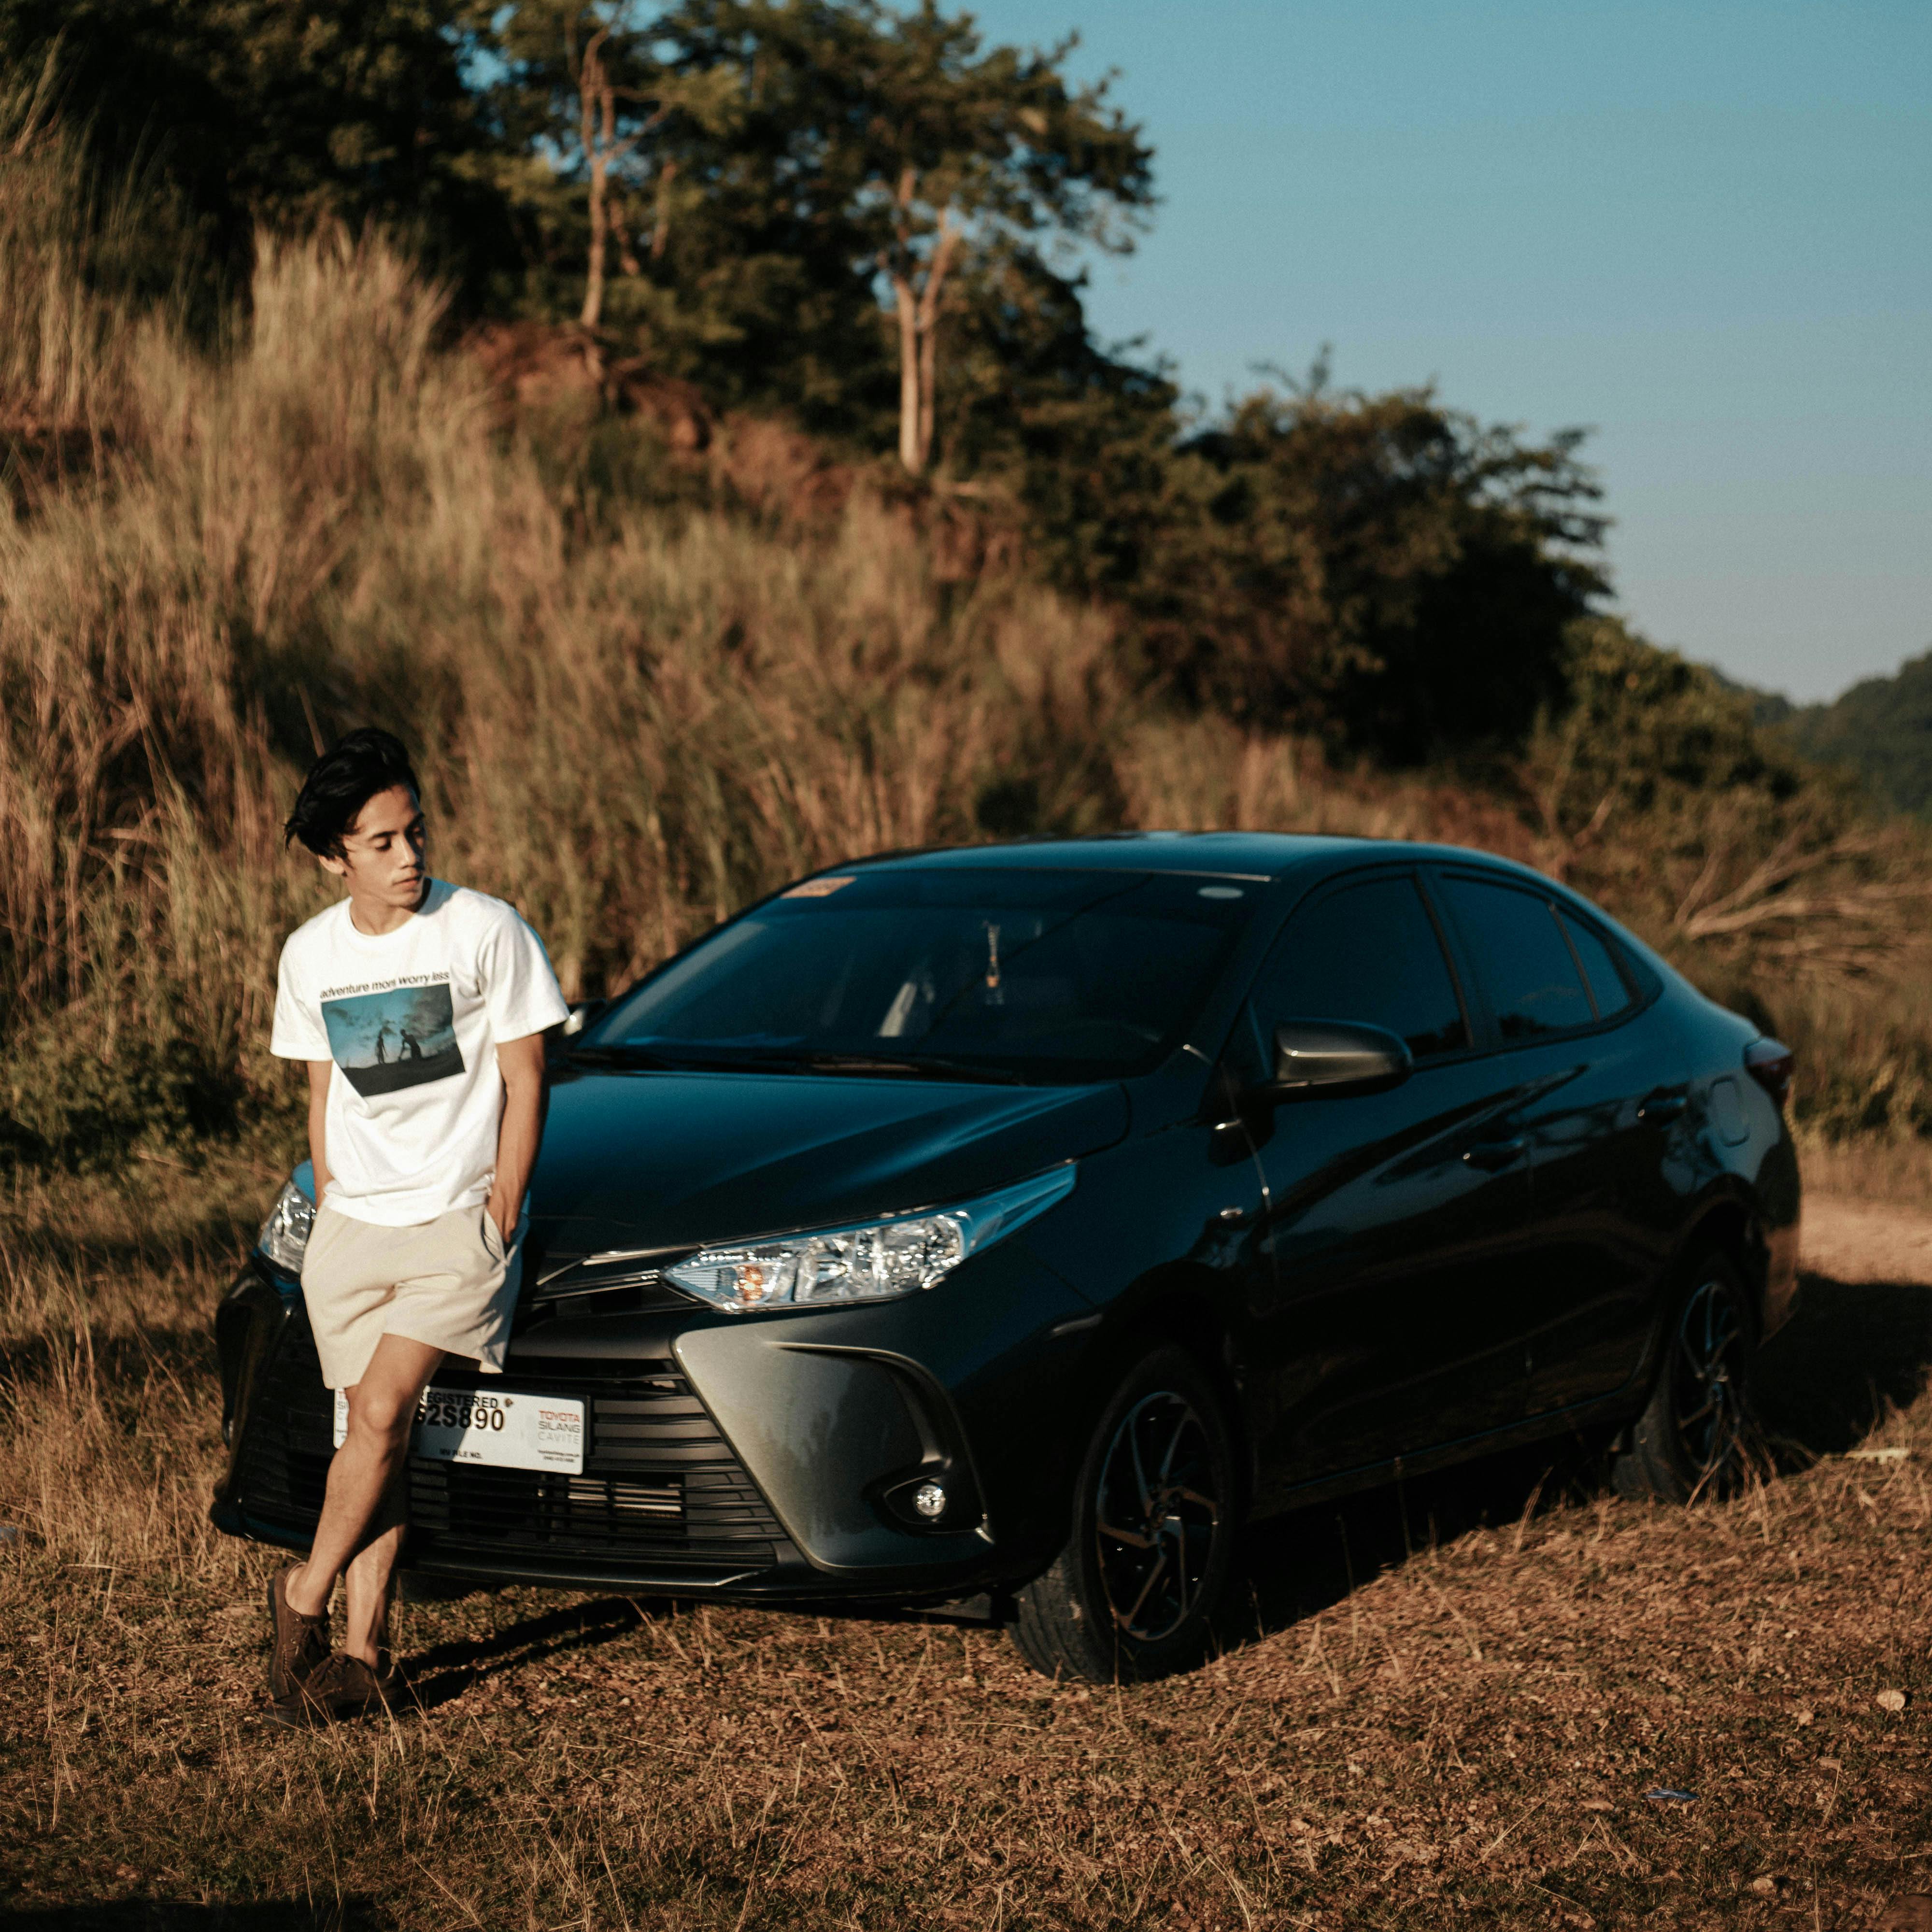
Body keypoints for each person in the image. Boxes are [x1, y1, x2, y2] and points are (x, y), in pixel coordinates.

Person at [262, 728, 568, 1725]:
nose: (408, 857)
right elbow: (322, 1090)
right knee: (371, 1438)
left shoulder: (484, 929)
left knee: (386, 1411)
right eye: (382, 842)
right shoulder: (311, 953)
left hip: (454, 1221)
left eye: (414, 832)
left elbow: (526, 1080)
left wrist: (501, 1210)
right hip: (353, 1224)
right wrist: (330, 1188)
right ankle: (363, 1656)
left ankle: (300, 1597)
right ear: (333, 857)